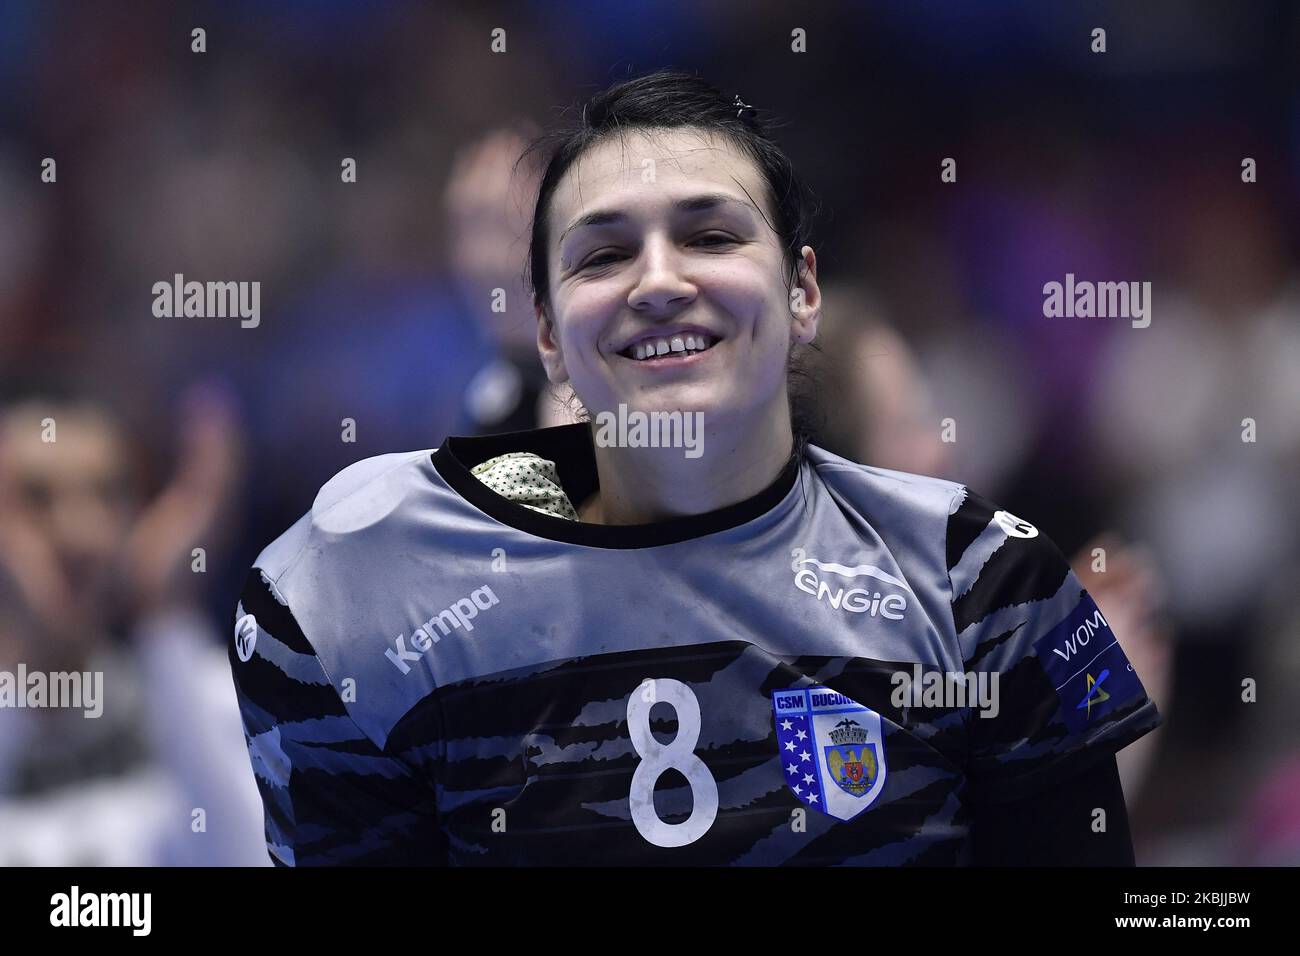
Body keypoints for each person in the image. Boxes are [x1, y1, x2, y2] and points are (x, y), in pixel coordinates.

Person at [227, 70, 1161, 866]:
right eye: (604, 254)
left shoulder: (984, 587)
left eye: (711, 236)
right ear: (546, 334)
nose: (660, 281)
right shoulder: (367, 592)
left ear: (803, 293)